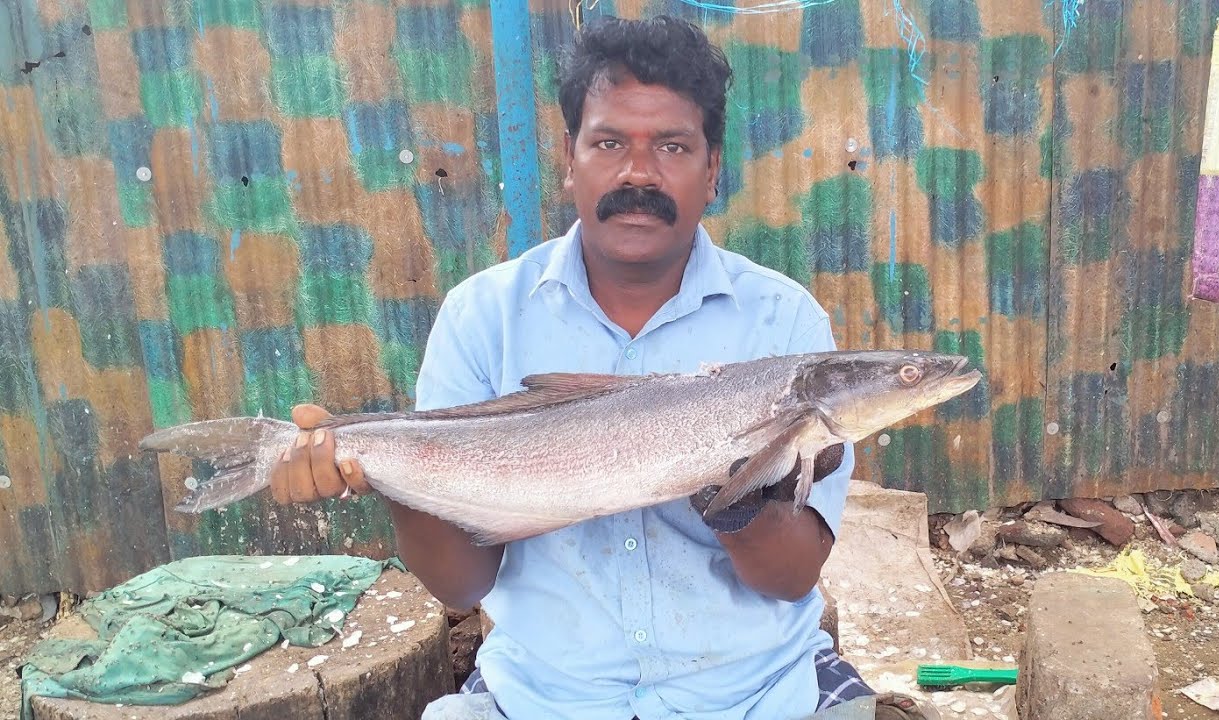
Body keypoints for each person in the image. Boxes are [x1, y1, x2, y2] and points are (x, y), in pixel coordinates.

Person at [270, 15, 938, 720]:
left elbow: (790, 577)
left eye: (674, 146)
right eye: (610, 142)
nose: (638, 173)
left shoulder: (783, 324)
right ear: (570, 157)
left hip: (753, 697)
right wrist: (396, 477)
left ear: (712, 169)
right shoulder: (483, 316)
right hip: (543, 701)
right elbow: (462, 585)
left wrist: (740, 494)